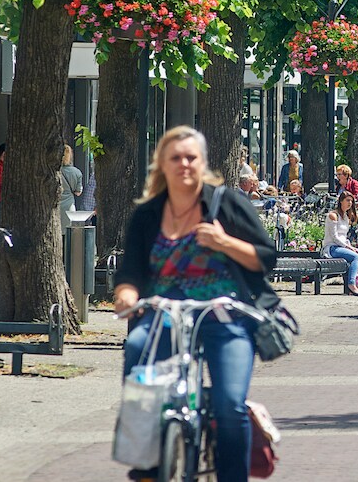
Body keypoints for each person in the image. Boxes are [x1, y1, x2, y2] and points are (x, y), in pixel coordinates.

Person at [113, 126, 277, 482]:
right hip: (166, 315)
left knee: (229, 404)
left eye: (191, 157)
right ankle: (148, 463)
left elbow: (266, 258)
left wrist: (224, 242)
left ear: (202, 163)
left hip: (224, 313)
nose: (184, 164)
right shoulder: (147, 215)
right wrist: (126, 294)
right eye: (176, 158)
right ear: (162, 165)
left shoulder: (227, 203)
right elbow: (131, 271)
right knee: (139, 354)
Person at [323, 191, 358, 296]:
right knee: (356, 257)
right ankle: (351, 284)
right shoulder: (333, 215)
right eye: (347, 200)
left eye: (351, 201)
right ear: (341, 201)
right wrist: (348, 247)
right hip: (332, 248)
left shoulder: (346, 217)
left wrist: (350, 247)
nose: (350, 203)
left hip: (343, 246)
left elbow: (344, 237)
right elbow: (335, 238)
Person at [59, 145, 84, 235]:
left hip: (55, 205)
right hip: (69, 206)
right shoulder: (77, 172)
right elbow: (78, 192)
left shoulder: (55, 171)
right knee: (68, 234)